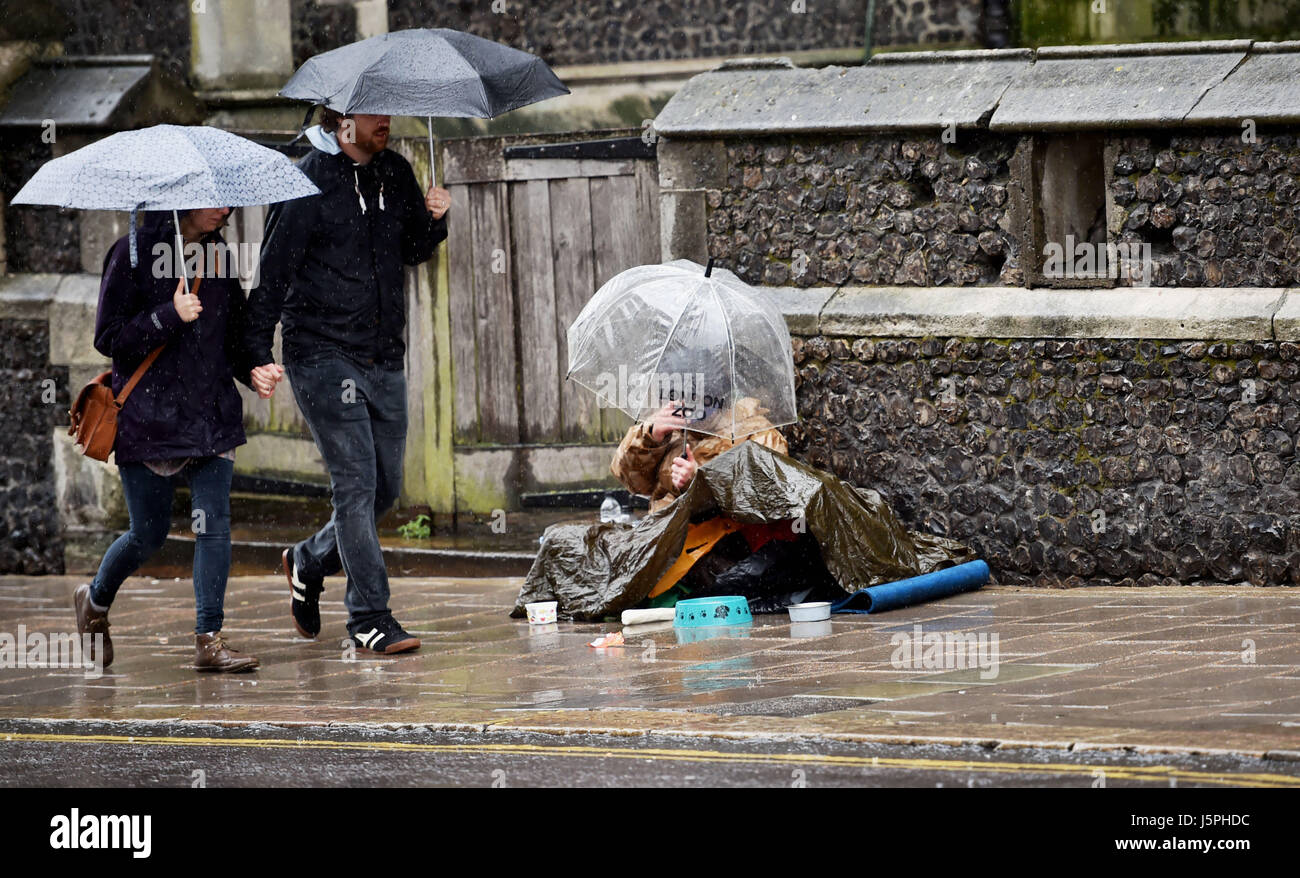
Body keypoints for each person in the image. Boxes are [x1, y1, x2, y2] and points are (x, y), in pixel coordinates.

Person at [244, 109, 450, 655]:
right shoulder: (305, 181)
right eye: (372, 113)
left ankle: (308, 560)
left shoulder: (396, 172)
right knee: (356, 486)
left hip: (384, 355)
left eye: (387, 110)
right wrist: (255, 355)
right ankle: (369, 618)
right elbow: (273, 271)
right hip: (322, 355)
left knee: (386, 489)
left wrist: (435, 220)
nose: (386, 121)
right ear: (341, 121)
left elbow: (412, 251)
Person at [74, 209, 278, 672]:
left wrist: (255, 370)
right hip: (149, 419)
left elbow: (235, 339)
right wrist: (169, 315)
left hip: (210, 417)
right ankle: (95, 600)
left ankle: (210, 639)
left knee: (214, 525)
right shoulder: (130, 253)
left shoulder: (219, 256)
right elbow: (109, 337)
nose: (222, 208)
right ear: (180, 200)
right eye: (210, 198)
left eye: (225, 199)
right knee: (148, 535)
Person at [611, 397, 839, 612]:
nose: (685, 399)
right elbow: (631, 479)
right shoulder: (673, 426)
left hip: (722, 543)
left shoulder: (754, 430)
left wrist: (700, 483)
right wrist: (651, 435)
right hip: (663, 537)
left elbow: (770, 496)